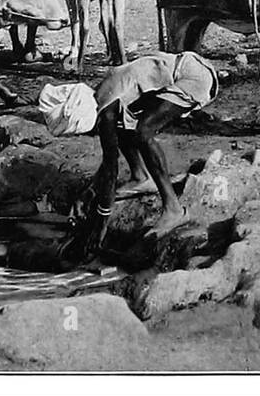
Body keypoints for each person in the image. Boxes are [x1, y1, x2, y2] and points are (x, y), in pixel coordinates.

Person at [47, 51, 219, 256]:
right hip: (185, 68)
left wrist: (101, 224)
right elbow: (109, 157)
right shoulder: (102, 97)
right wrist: (91, 190)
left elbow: (111, 167)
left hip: (194, 76)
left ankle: (174, 210)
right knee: (126, 126)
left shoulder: (107, 111)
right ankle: (141, 177)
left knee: (143, 132)